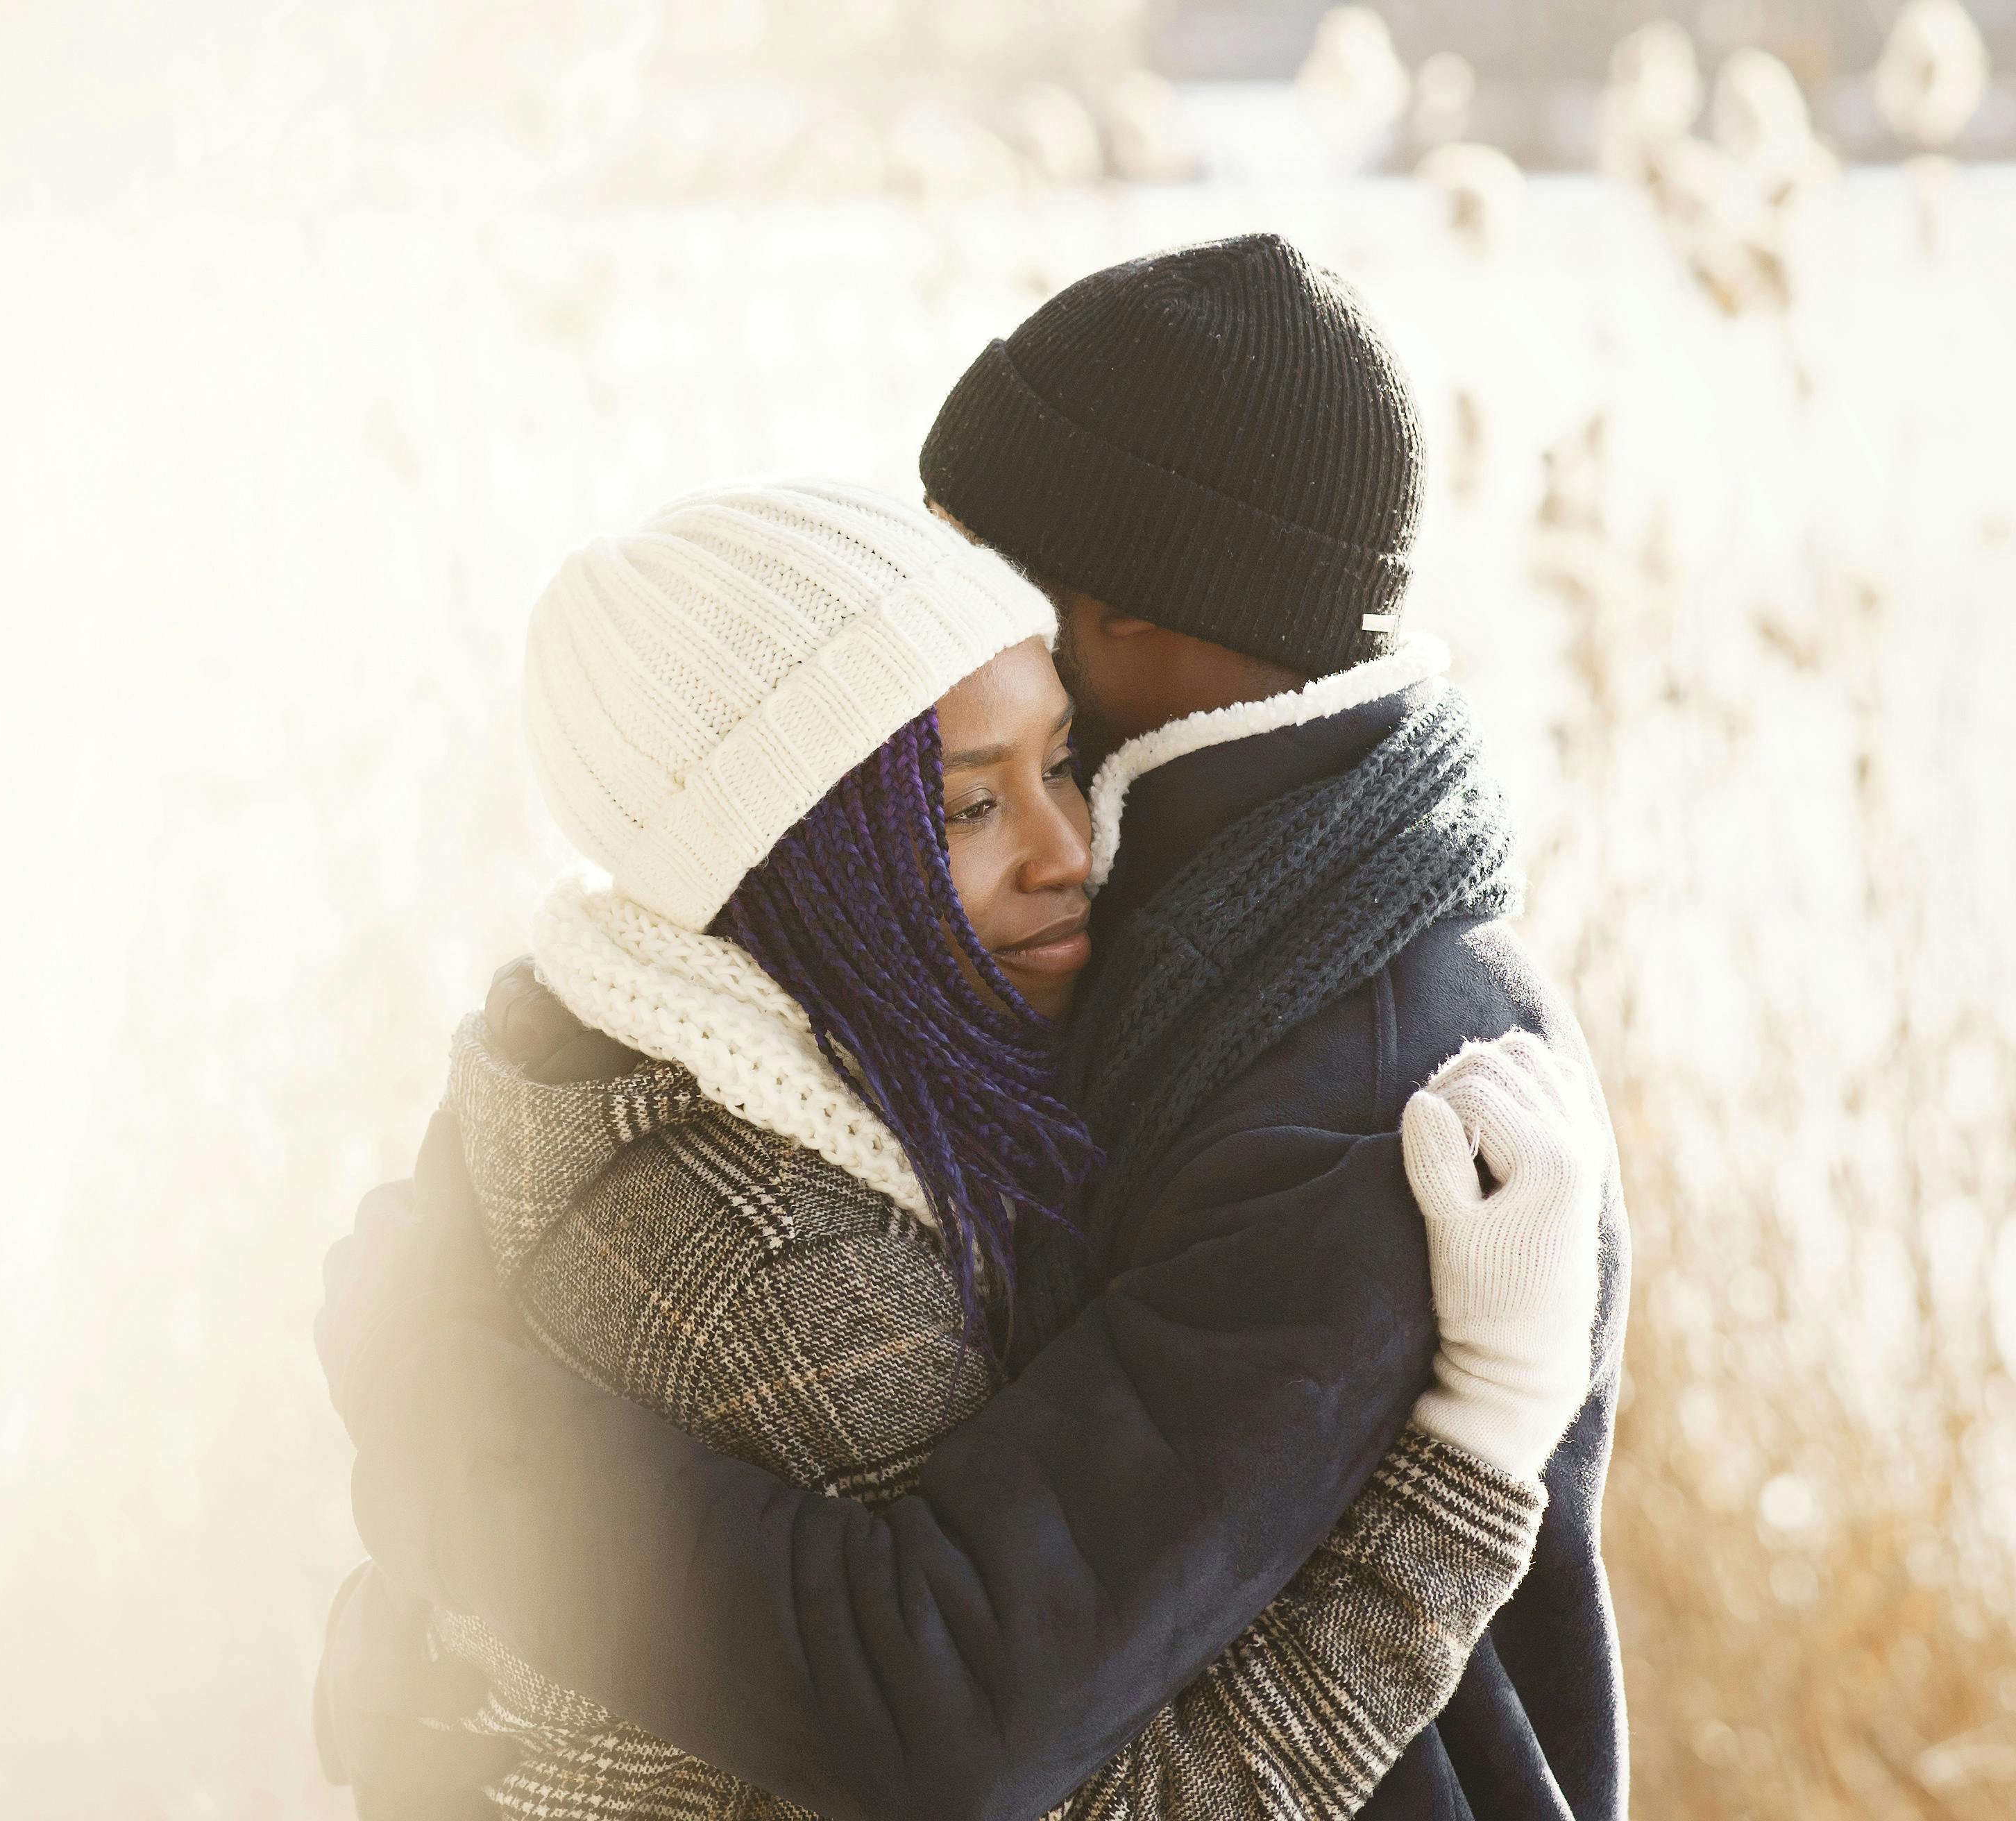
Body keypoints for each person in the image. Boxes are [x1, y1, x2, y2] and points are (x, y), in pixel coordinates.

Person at [322, 238, 1629, 1821]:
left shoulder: (1373, 1096)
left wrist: (448, 1435)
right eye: (971, 799)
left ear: (1116, 614)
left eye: (964, 550)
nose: (929, 598)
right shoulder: (1157, 909)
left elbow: (951, 1705)